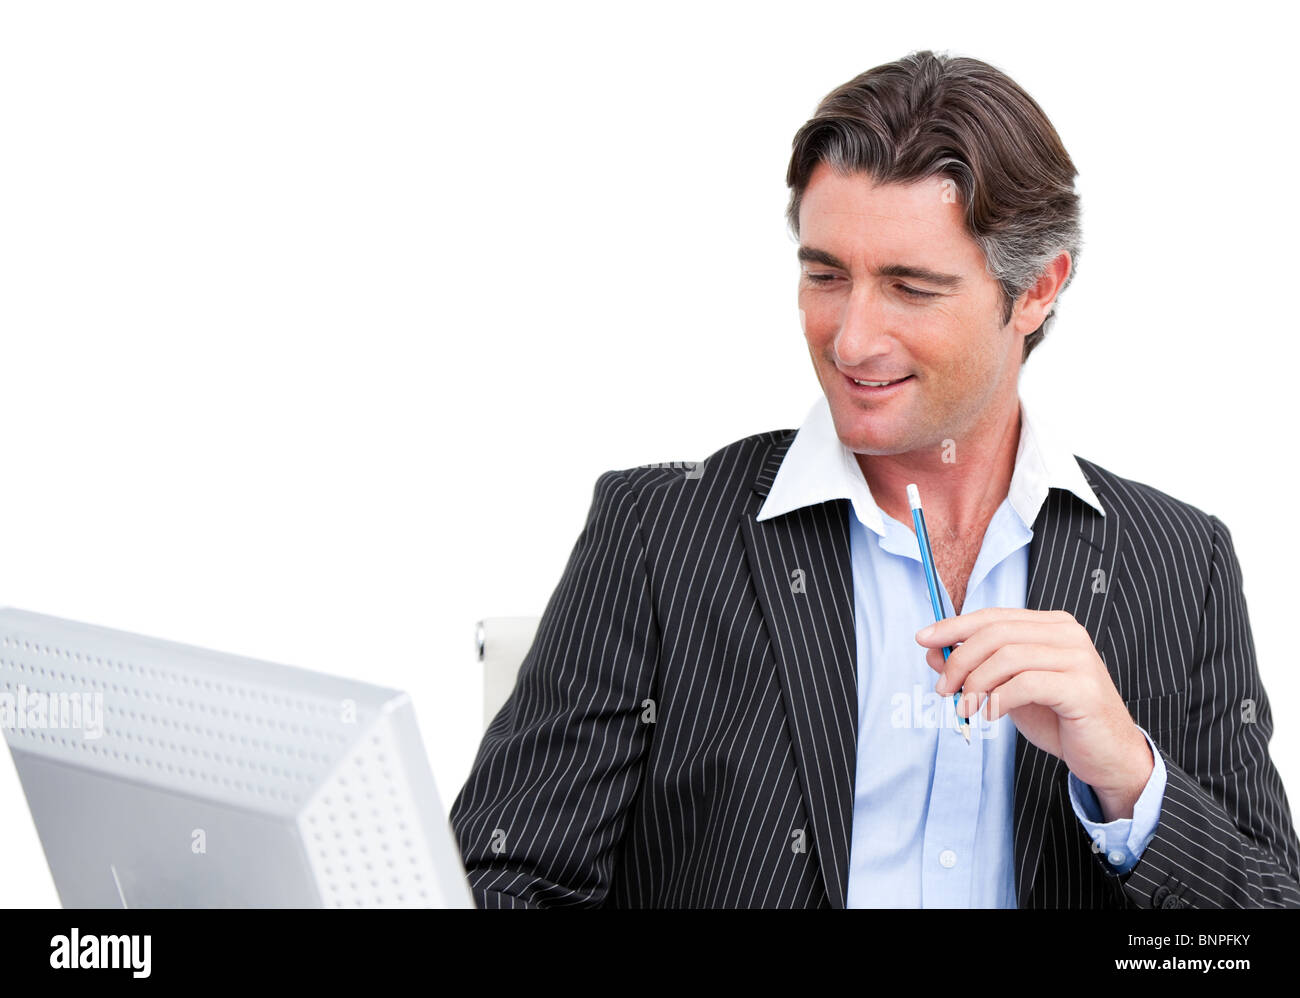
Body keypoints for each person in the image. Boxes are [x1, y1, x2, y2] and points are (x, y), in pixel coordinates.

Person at [448, 49, 1300, 908]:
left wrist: (1129, 777)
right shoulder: (659, 531)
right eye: (825, 275)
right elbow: (503, 878)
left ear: (1037, 289)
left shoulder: (1179, 563)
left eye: (909, 288)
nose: (851, 339)